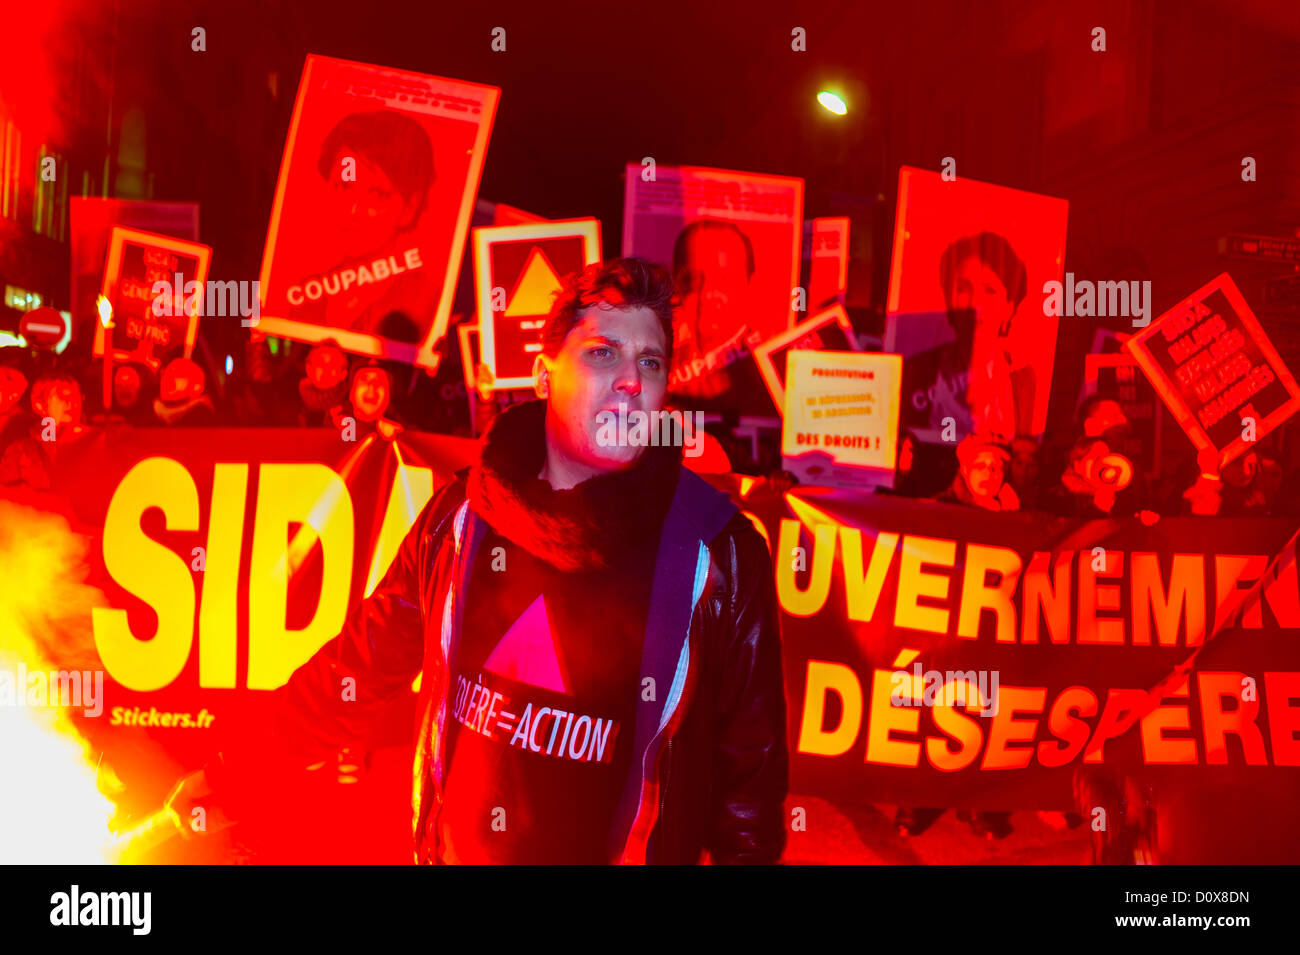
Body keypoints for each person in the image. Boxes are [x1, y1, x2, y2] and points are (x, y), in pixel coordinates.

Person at [166, 257, 789, 864]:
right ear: (544, 376)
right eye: (603, 353)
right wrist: (236, 768)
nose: (631, 380)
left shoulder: (720, 554)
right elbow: (355, 670)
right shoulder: (459, 518)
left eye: (649, 362)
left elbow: (750, 790)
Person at [901, 231, 1035, 443]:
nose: (975, 304)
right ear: (948, 299)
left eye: (989, 291)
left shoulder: (1022, 380)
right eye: (963, 289)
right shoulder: (915, 371)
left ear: (1009, 307)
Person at [667, 219, 776, 417]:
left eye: (724, 279)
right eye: (693, 279)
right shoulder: (655, 360)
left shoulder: (774, 365)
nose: (708, 293)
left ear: (750, 286)